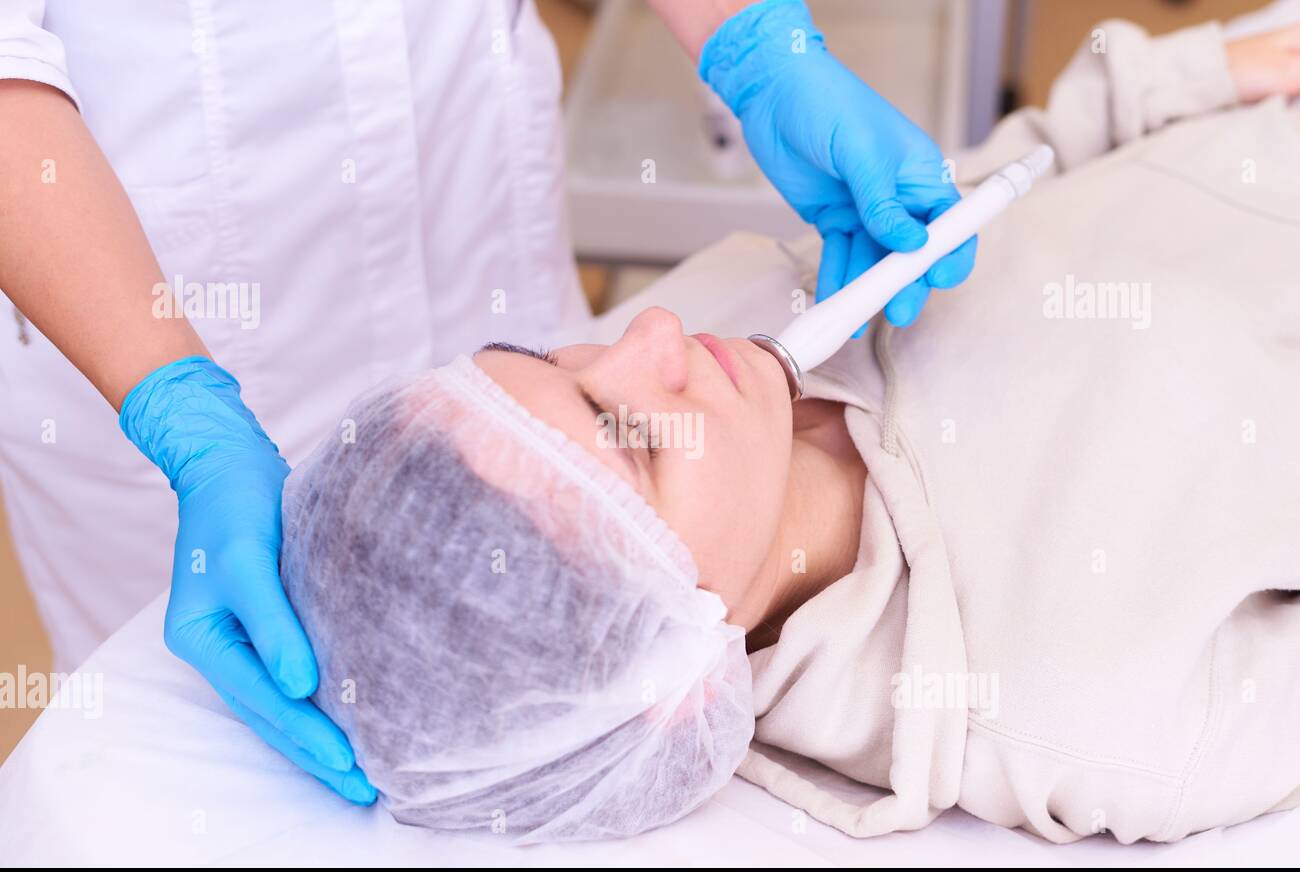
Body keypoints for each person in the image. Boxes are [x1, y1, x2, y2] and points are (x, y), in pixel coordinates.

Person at [279, 15, 1300, 842]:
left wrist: (1187, 77)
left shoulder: (742, 353)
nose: (651, 330)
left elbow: (1005, 189)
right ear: (665, 686)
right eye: (632, 439)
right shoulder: (1087, 707)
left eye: (556, 360)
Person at [0, 0, 973, 803]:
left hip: (474, 223)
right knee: (217, 782)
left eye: (618, 417)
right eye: (628, 431)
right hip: (128, 321)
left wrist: (747, 42)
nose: (656, 335)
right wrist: (182, 417)